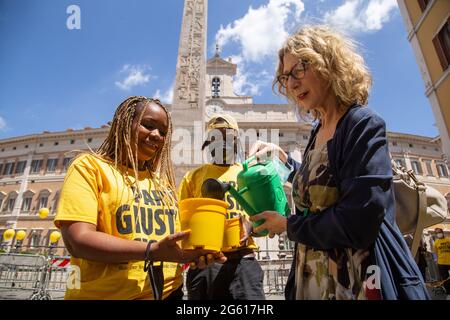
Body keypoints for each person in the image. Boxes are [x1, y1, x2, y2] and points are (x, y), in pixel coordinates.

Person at [249, 25, 429, 300]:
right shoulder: (316, 131)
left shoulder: (362, 124)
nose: (292, 83)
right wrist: (283, 158)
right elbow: (324, 183)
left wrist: (287, 225)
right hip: (312, 280)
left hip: (358, 280)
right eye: (285, 77)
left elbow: (359, 219)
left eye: (299, 69)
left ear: (327, 63)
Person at [54, 96, 224, 300]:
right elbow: (78, 241)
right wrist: (152, 251)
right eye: (148, 125)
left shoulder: (162, 183)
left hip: (170, 292)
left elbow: (171, 243)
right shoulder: (89, 167)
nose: (157, 136)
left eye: (163, 132)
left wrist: (198, 251)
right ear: (124, 123)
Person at [178, 114, 265, 300]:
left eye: (228, 137)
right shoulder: (192, 177)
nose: (222, 142)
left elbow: (265, 219)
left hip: (244, 261)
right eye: (216, 138)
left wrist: (251, 227)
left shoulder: (249, 174)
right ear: (208, 143)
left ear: (237, 140)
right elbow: (182, 221)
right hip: (206, 263)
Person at [433, 228, 450, 292]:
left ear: (442, 232)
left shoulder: (448, 239)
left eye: (439, 232)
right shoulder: (436, 243)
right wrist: (435, 259)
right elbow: (435, 252)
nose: (438, 234)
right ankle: (448, 291)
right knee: (445, 278)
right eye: (437, 233)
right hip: (441, 263)